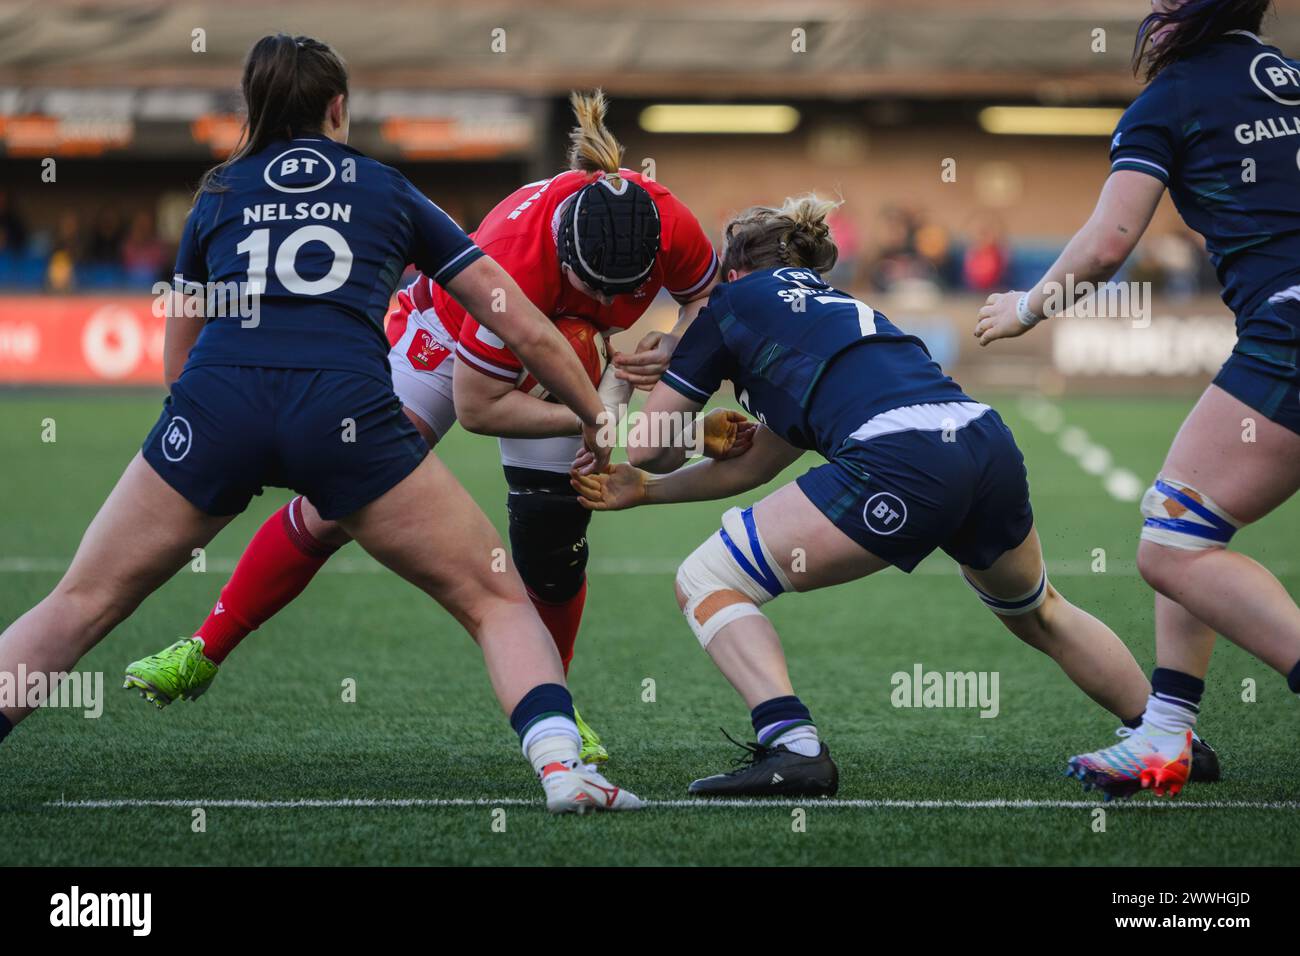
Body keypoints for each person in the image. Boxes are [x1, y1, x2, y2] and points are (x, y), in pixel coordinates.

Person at [0, 34, 640, 814]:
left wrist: (207, 438)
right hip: (347, 415)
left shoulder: (219, 193)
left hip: (219, 404)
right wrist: (591, 416)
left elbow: (178, 350)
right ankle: (564, 774)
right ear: (339, 108)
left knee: (80, 599)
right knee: (497, 598)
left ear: (252, 108)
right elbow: (525, 328)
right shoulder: (388, 190)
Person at [125, 90, 719, 766]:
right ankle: (205, 648)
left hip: (565, 357)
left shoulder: (667, 218)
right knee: (333, 506)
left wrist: (672, 345)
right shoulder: (516, 257)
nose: (614, 304)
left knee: (553, 544)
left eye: (627, 292)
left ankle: (556, 703)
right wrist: (597, 416)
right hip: (446, 342)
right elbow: (480, 407)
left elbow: (704, 298)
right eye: (596, 286)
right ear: (561, 247)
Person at [568, 195, 1214, 796]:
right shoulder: (831, 306)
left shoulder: (728, 306)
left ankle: (792, 749)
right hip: (982, 441)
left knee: (708, 577)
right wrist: (649, 491)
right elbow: (759, 460)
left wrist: (653, 400)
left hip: (901, 458)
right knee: (1038, 609)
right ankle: (1166, 734)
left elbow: (653, 442)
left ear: (732, 271)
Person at [974, 0, 1300, 798]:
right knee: (1189, 516)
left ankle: (1166, 733)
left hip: (1290, 326)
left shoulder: (1174, 97)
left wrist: (1025, 308)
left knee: (1171, 544)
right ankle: (1164, 735)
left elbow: (1109, 240)